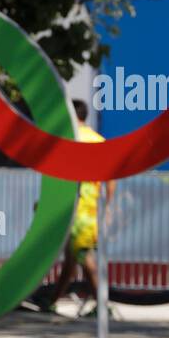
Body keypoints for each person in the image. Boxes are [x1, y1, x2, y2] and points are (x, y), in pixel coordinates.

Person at [44, 100, 116, 314]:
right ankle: (52, 301)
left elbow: (59, 178)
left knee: (85, 258)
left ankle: (104, 308)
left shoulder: (71, 140)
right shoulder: (99, 141)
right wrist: (107, 206)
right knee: (72, 259)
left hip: (75, 209)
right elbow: (111, 179)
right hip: (91, 208)